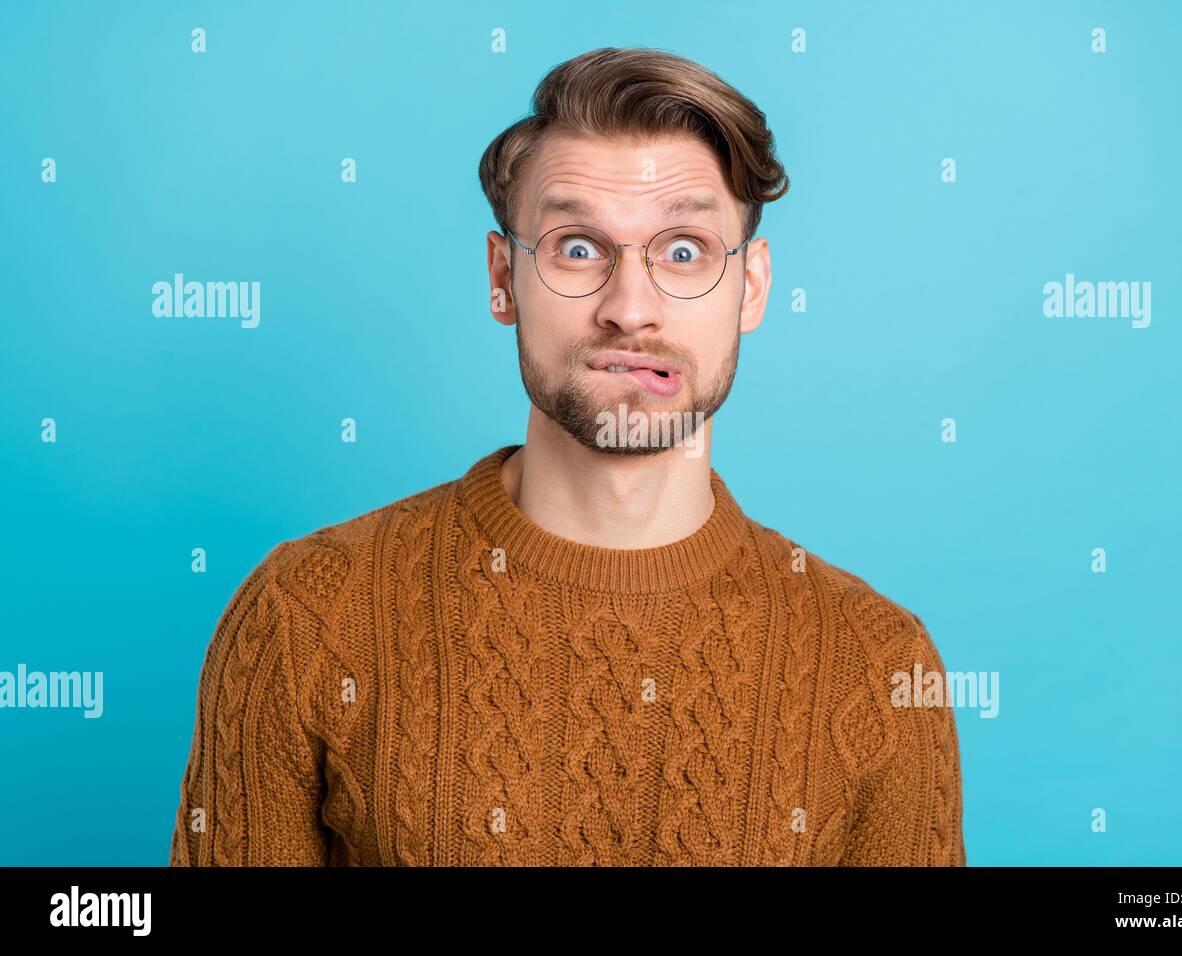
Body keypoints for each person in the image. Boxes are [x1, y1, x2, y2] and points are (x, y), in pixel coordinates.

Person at [169, 46, 965, 867]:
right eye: (578, 248)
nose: (631, 309)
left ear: (752, 287)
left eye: (684, 250)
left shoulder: (877, 664)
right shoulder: (305, 615)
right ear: (503, 278)